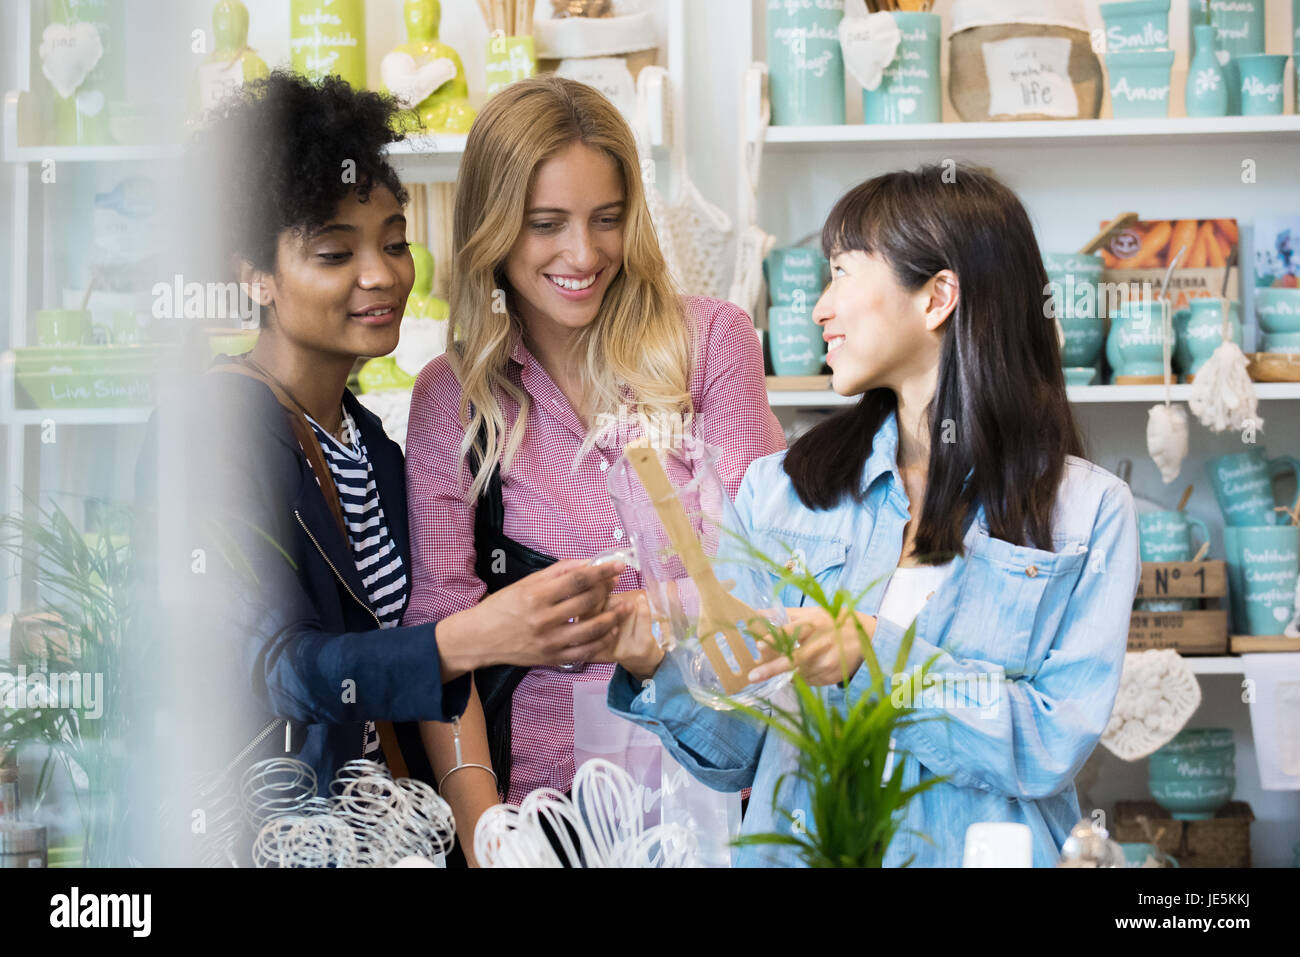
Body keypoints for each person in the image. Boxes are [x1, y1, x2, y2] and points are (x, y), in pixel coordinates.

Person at [605, 165, 1141, 867]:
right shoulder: (783, 490)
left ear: (937, 297)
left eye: (842, 274)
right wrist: (662, 665)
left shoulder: (1087, 512)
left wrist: (873, 652)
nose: (820, 308)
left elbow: (1047, 745)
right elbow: (734, 754)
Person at [136, 72, 631, 830]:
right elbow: (276, 672)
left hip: (375, 836)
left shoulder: (368, 441)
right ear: (255, 275)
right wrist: (479, 633)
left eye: (395, 243)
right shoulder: (211, 428)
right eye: (335, 253)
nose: (382, 275)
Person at [403, 74, 785, 864]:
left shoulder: (712, 343)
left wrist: (634, 617)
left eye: (606, 220)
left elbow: (773, 566)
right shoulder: (453, 397)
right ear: (493, 227)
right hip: (541, 808)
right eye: (546, 224)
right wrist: (486, 837)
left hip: (720, 787)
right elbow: (442, 633)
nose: (584, 254)